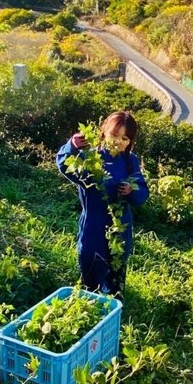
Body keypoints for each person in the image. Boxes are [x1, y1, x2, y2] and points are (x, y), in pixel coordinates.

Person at [55, 111, 149, 296]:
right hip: (93, 225)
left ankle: (114, 304)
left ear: (130, 141)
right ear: (104, 130)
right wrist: (71, 146)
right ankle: (90, 302)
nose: (118, 142)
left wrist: (132, 191)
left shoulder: (131, 161)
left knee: (115, 268)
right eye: (114, 135)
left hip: (120, 227)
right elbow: (64, 165)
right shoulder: (89, 157)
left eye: (125, 138)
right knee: (90, 263)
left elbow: (142, 194)